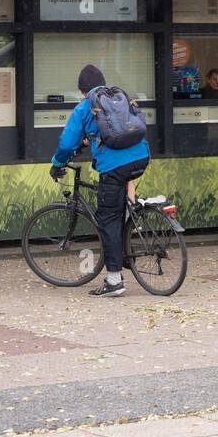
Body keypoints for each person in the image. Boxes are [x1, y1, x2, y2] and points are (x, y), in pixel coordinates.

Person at [49, 64, 150, 298]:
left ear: (82, 90)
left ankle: (114, 280)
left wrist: (57, 163)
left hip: (114, 166)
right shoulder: (118, 98)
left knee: (107, 219)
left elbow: (66, 144)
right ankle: (130, 225)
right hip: (141, 158)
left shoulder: (86, 106)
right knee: (119, 204)